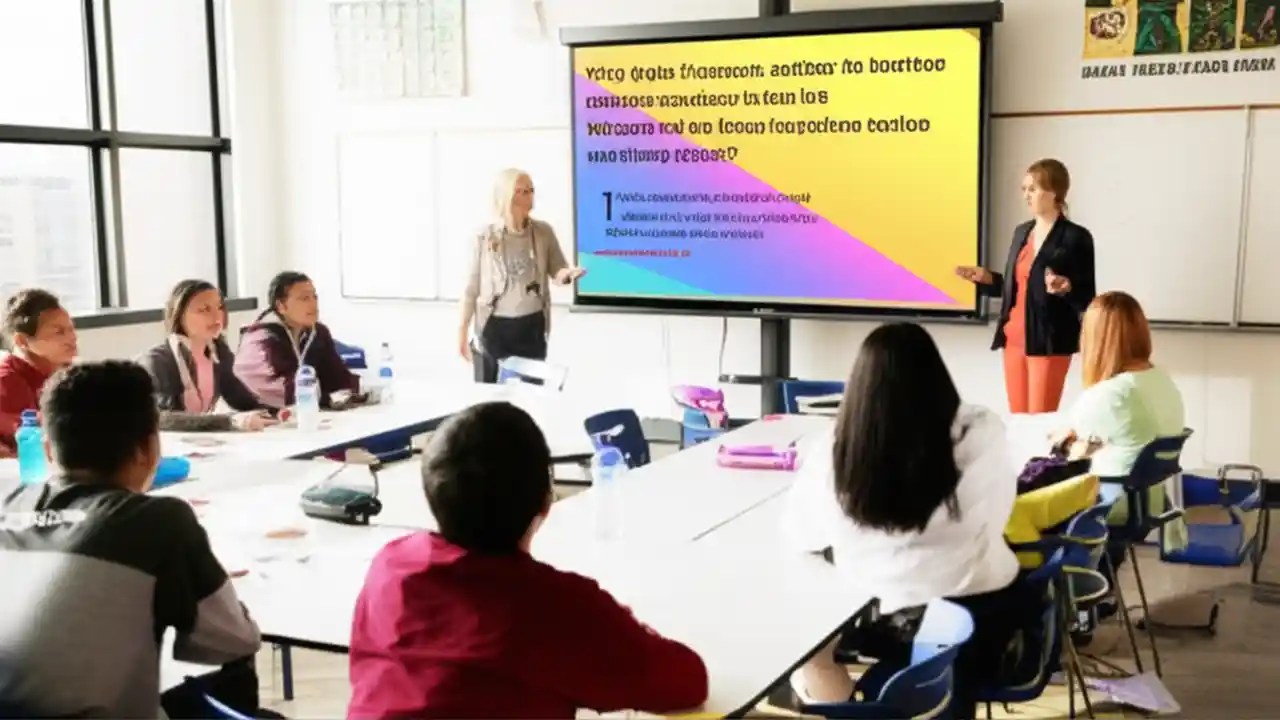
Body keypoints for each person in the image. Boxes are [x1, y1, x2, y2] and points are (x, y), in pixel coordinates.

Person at [348, 401, 708, 719]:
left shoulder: (391, 566)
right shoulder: (557, 607)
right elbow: (686, 682)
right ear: (546, 503)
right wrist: (625, 625)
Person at [782, 323, 1033, 717]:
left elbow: (802, 533)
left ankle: (851, 707)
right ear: (939, 376)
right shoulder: (982, 431)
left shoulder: (836, 449)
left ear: (859, 386)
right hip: (984, 616)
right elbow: (1000, 513)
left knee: (808, 653)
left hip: (890, 618)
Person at [0, 361, 263, 718]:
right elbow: (232, 641)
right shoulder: (158, 522)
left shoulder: (8, 506)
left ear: (48, 450)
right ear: (149, 449)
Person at [956, 158, 1096, 415]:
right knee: (1018, 421)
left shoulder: (1076, 237)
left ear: (1054, 191)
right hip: (1013, 340)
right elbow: (1021, 287)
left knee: (1038, 423)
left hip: (1047, 342)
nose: (1026, 196)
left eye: (1033, 189)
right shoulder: (1022, 232)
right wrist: (988, 279)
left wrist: (1065, 287)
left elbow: (1087, 297)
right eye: (1024, 189)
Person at [457, 168, 586, 384]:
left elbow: (557, 270)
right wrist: (462, 330)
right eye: (522, 190)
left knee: (530, 397)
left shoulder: (543, 232)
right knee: (492, 402)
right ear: (506, 194)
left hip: (531, 327)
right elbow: (471, 289)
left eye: (531, 190)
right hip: (494, 327)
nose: (529, 195)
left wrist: (567, 275)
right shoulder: (484, 236)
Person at [1061, 292, 1185, 478]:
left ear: (1094, 339)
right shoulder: (1162, 380)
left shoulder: (1111, 394)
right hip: (1155, 497)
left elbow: (1071, 444)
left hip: (1109, 499)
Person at [136, 279, 279, 433]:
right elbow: (163, 419)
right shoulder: (157, 361)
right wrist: (229, 422)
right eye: (204, 309)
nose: (217, 316)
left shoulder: (218, 351)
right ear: (179, 314)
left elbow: (239, 397)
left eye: (219, 307)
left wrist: (279, 413)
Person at [234, 271, 362, 409]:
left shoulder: (318, 332)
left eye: (315, 297)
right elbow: (286, 393)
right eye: (304, 298)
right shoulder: (260, 340)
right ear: (281, 306)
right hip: (261, 419)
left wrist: (353, 391)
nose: (313, 304)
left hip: (307, 415)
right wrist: (329, 397)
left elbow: (339, 380)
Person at [0, 289, 77, 457]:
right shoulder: (6, 383)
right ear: (21, 341)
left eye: (71, 329)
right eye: (59, 332)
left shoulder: (64, 374)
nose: (72, 338)